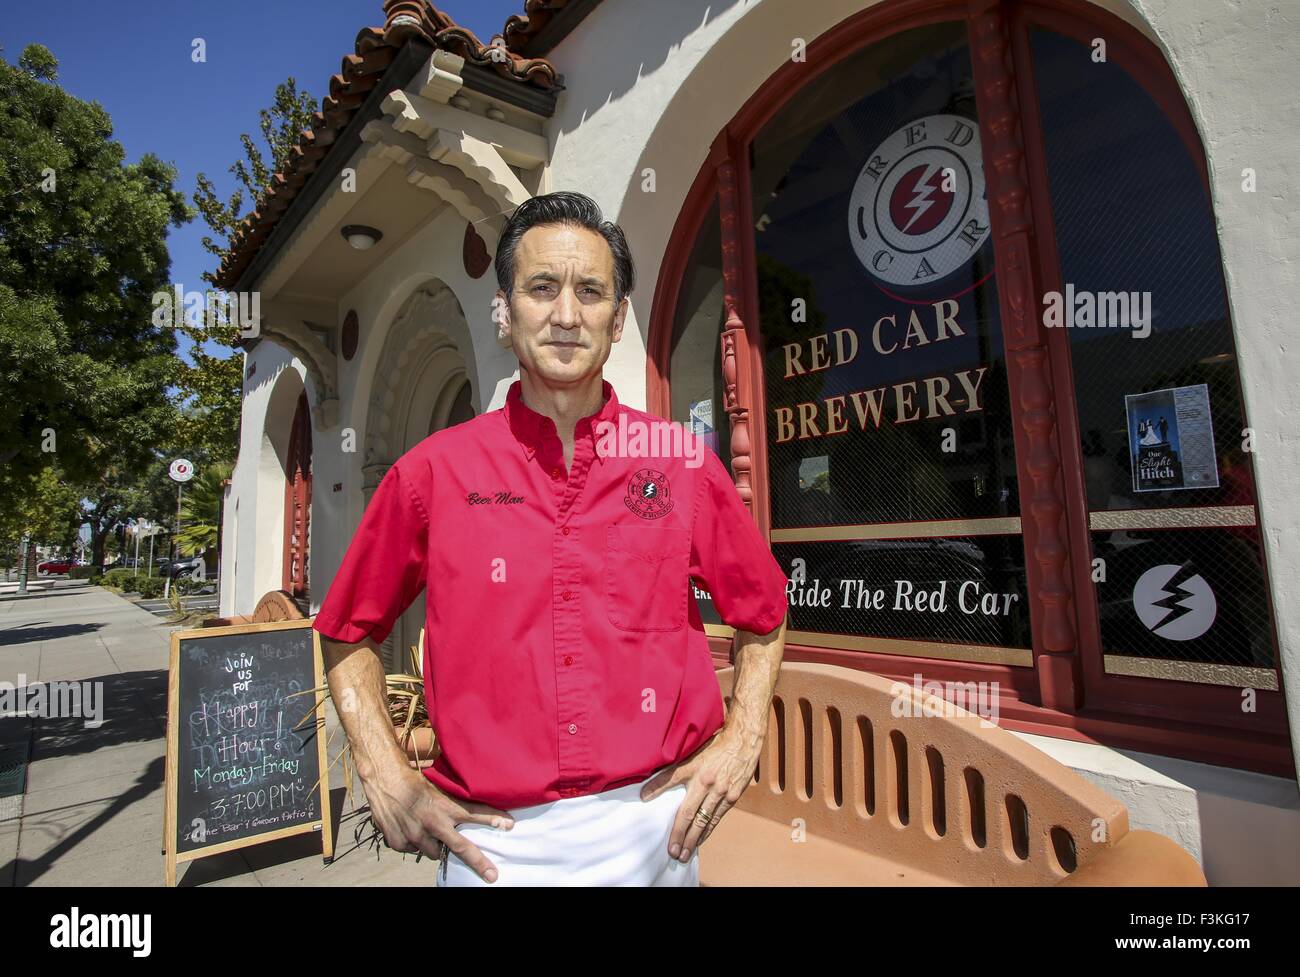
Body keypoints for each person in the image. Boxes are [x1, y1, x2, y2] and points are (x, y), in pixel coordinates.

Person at [313, 191, 790, 886]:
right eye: (542, 287)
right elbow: (346, 628)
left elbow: (764, 610)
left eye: (591, 291)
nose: (567, 314)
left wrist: (744, 738)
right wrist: (382, 767)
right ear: (504, 310)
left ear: (619, 317)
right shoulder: (432, 474)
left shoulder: (679, 462)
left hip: (658, 832)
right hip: (494, 849)